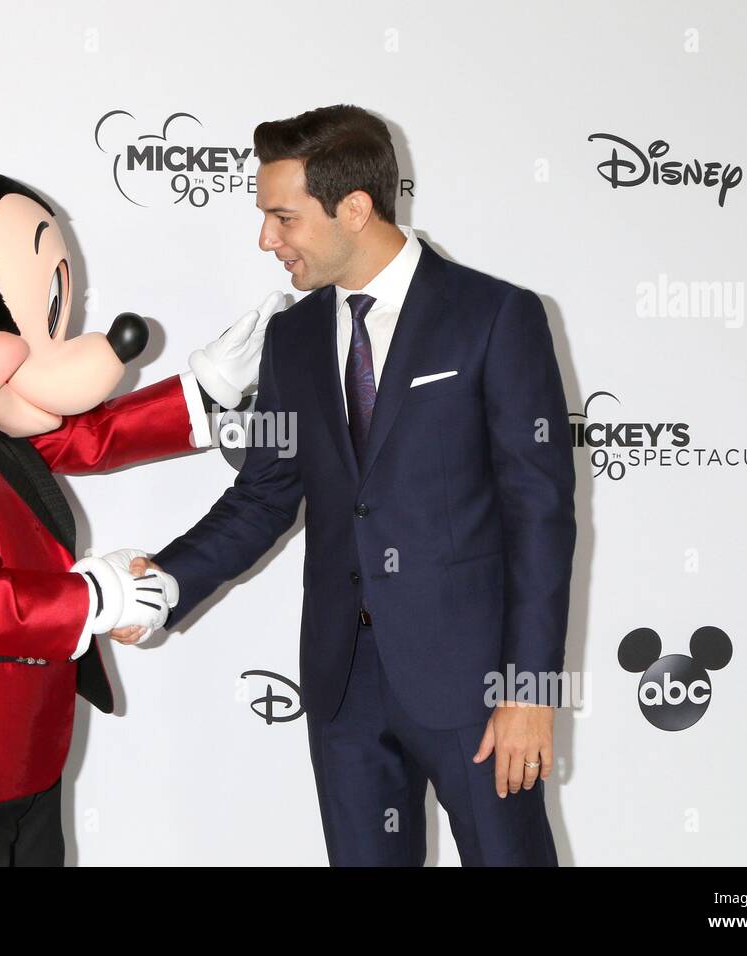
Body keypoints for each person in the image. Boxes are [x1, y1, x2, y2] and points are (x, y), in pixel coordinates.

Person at [115, 104, 576, 866]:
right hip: (342, 687)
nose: (268, 239)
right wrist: (168, 581)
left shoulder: (494, 316)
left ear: (355, 208)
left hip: (476, 687)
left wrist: (529, 690)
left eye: (283, 218)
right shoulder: (290, 338)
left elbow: (541, 516)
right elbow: (263, 495)